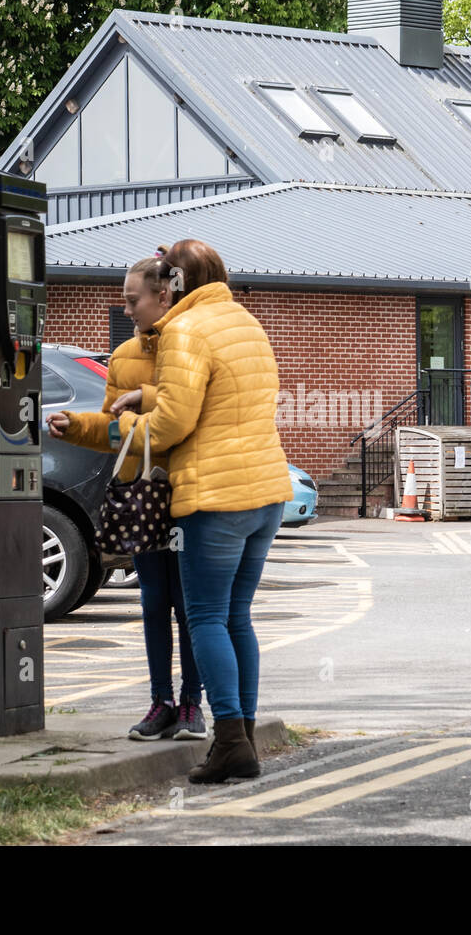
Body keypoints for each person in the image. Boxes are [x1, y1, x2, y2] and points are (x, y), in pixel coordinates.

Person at [112, 239, 293, 784]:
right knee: (237, 616)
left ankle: (231, 741)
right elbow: (223, 396)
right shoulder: (246, 323)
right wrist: (150, 396)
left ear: (181, 286)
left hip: (216, 498)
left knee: (206, 617)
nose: (162, 290)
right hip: (266, 491)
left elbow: (175, 424)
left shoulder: (184, 331)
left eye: (168, 281)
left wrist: (127, 427)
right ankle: (243, 740)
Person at [45, 252, 207, 741]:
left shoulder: (194, 344)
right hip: (146, 499)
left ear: (164, 295)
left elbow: (195, 415)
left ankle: (191, 706)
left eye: (133, 300)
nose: (127, 310)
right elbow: (116, 431)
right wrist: (77, 427)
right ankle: (161, 702)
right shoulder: (122, 357)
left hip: (193, 492)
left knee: (192, 607)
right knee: (155, 601)